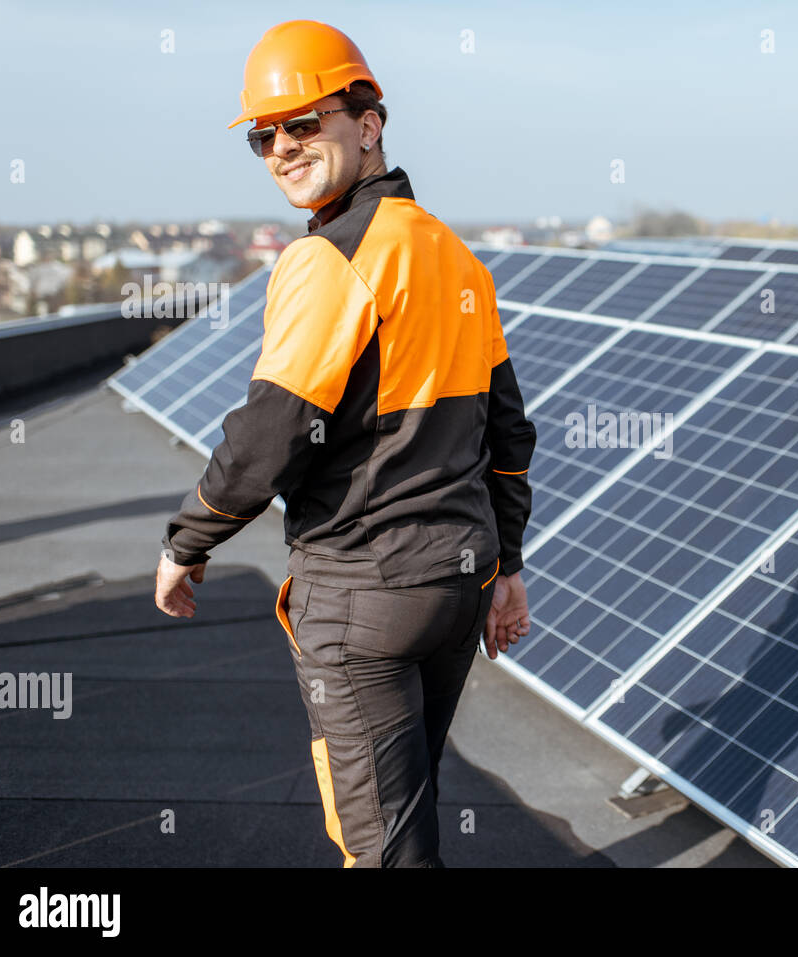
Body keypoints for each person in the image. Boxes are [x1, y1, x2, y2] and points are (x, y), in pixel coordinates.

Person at [152, 19, 536, 868]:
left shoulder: (330, 259)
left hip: (363, 596)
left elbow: (271, 430)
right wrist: (506, 566)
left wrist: (190, 538)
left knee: (383, 847)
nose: (283, 146)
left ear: (368, 123)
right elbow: (508, 435)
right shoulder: (456, 258)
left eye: (305, 121)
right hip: (455, 588)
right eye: (265, 135)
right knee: (408, 811)